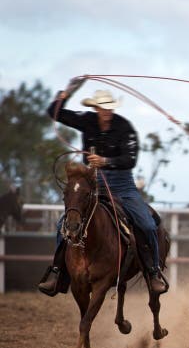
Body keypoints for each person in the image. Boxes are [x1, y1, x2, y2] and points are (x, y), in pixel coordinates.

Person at [39, 82, 168, 295]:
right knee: (64, 223)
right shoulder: (87, 121)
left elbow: (129, 159)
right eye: (103, 107)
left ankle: (153, 272)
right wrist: (66, 93)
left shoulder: (124, 127)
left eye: (110, 107)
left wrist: (105, 160)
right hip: (95, 184)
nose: (107, 111)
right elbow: (54, 112)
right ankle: (58, 272)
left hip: (122, 185)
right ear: (96, 108)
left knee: (146, 223)